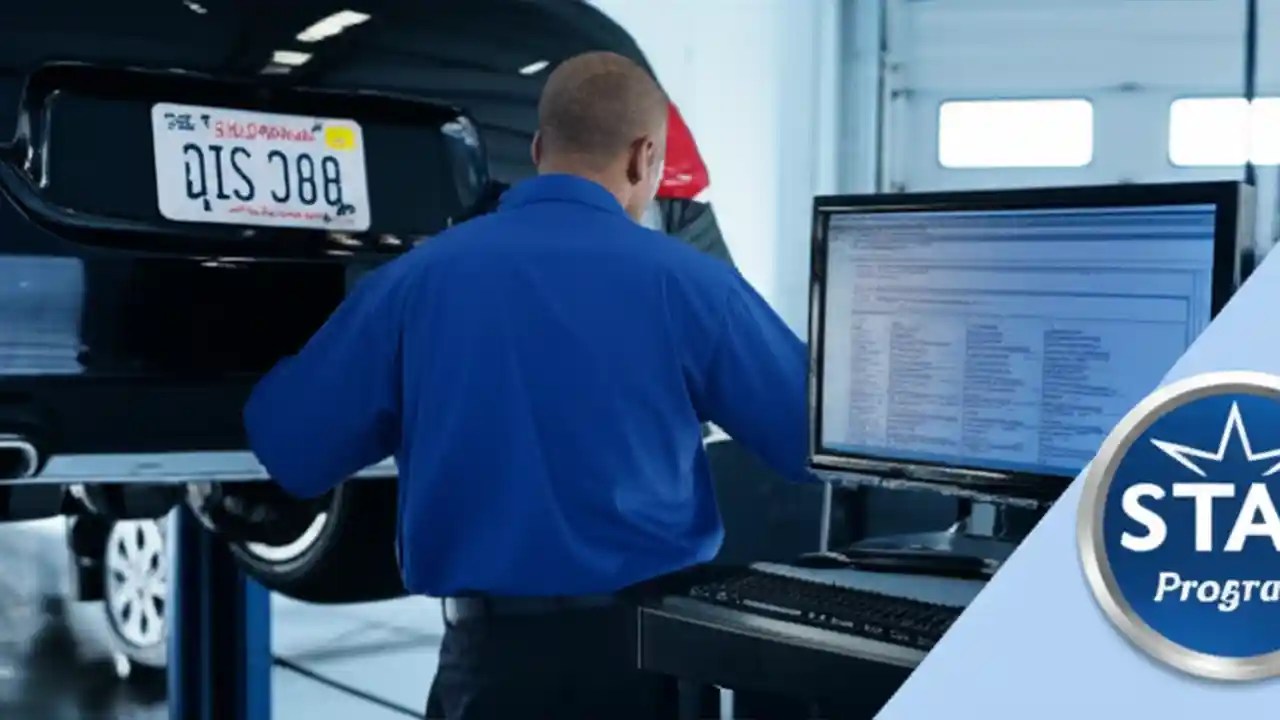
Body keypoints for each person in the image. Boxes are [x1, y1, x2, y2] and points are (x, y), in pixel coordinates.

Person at [243, 51, 812, 720]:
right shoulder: (692, 284)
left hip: (487, 667)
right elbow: (810, 436)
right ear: (645, 159)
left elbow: (290, 446)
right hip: (647, 667)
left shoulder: (413, 283)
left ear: (540, 148)